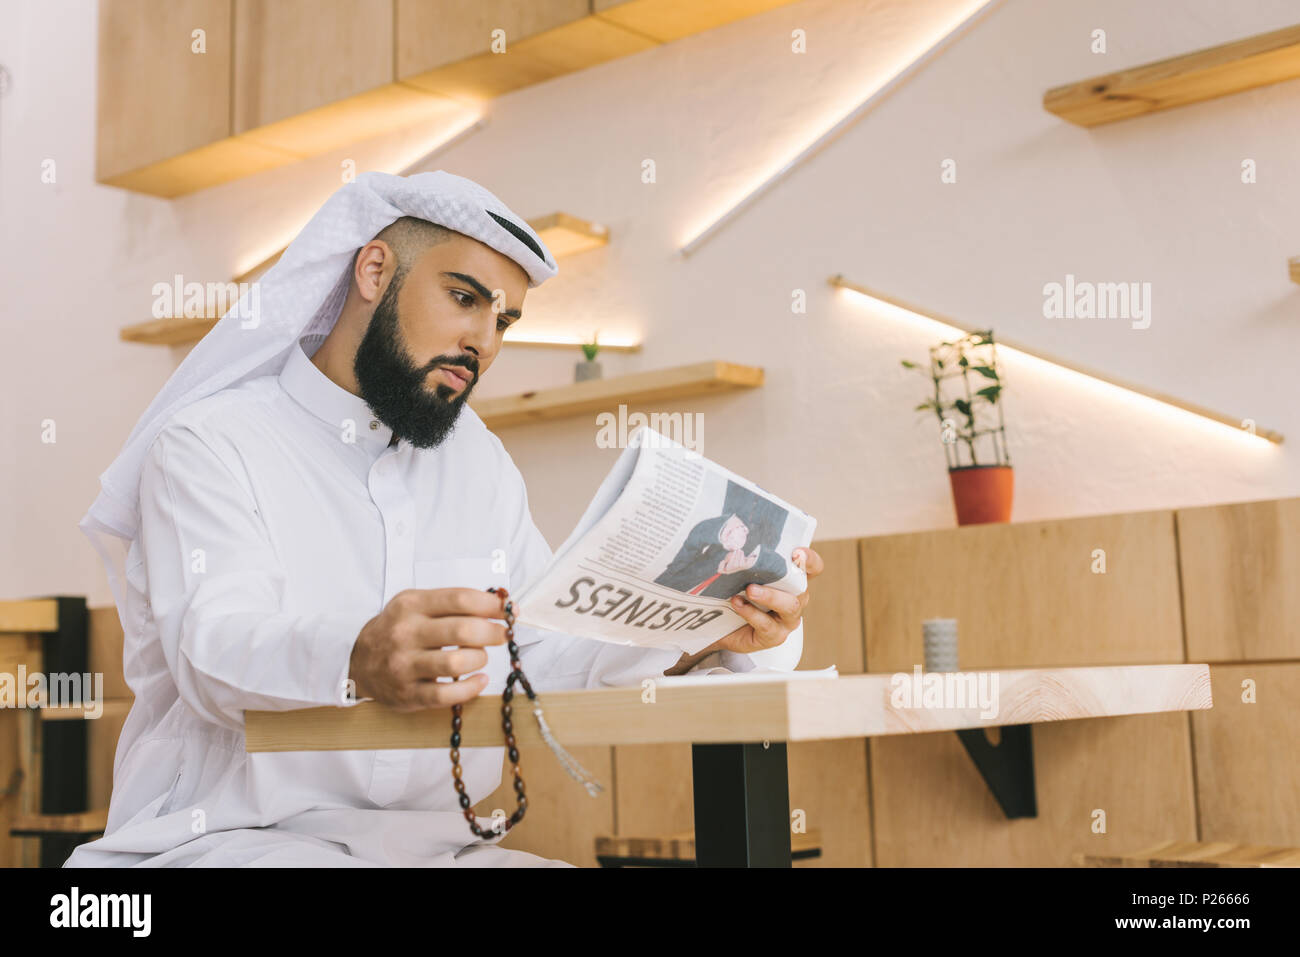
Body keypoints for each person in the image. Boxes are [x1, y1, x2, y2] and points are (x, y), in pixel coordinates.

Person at [68, 171, 824, 867]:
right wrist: (357, 655)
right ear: (373, 273)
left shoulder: (477, 460)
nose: (485, 342)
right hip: (235, 841)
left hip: (439, 850)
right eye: (465, 298)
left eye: (505, 320)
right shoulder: (209, 442)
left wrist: (695, 637)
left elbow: (539, 657)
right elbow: (212, 650)